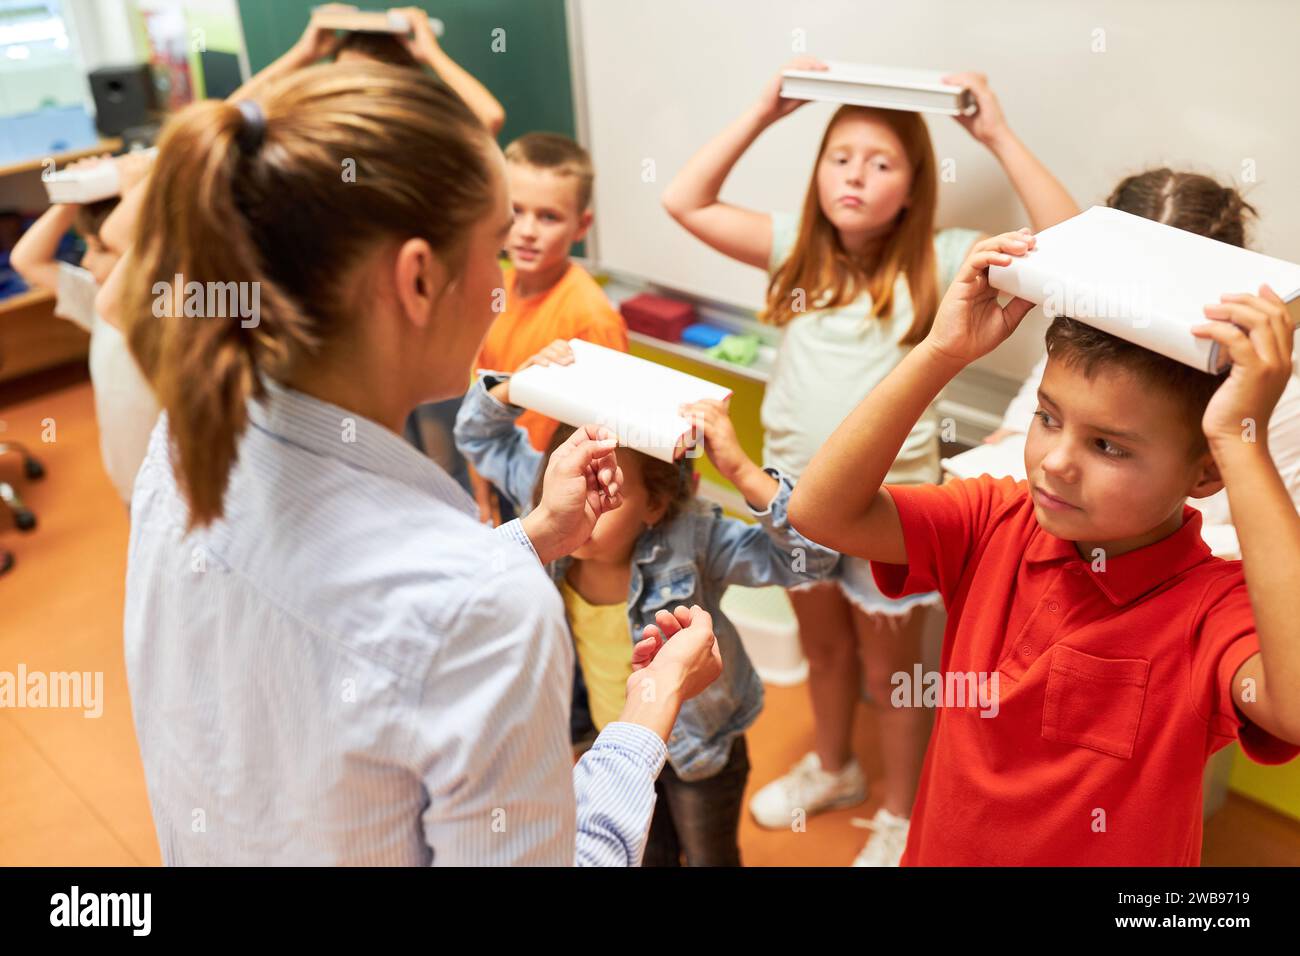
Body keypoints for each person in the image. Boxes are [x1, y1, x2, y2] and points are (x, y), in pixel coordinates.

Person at [116, 62, 722, 865]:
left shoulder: (185, 447)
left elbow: (381, 623)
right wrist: (647, 716)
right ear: (418, 277)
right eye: (496, 246)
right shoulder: (482, 609)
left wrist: (532, 536)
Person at [661, 58, 1077, 863]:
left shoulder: (942, 255)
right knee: (823, 650)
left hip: (893, 507)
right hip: (792, 499)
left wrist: (993, 132)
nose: (855, 175)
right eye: (840, 156)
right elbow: (684, 200)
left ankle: (896, 813)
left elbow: (1065, 242)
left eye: (881, 163)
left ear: (915, 188)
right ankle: (833, 767)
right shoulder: (794, 248)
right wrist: (763, 112)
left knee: (892, 674)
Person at [790, 230, 1300, 864]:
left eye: (1108, 446)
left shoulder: (1207, 609)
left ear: (1205, 472)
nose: (1056, 462)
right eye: (1048, 417)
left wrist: (1240, 439)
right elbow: (818, 511)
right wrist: (941, 352)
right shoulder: (995, 520)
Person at [455, 338, 840, 864]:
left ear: (655, 504)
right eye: (575, 481)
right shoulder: (552, 505)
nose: (583, 506)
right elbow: (479, 435)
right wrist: (513, 386)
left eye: (608, 489)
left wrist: (745, 472)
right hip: (613, 742)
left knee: (709, 857)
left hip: (698, 754)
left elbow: (814, 559)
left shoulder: (694, 537)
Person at [11, 151, 159, 504]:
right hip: (127, 476)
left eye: (101, 249)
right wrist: (70, 198)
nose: (87, 261)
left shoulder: (164, 310)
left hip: (167, 486)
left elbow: (151, 258)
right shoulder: (96, 298)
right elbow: (25, 260)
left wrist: (136, 197)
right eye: (86, 247)